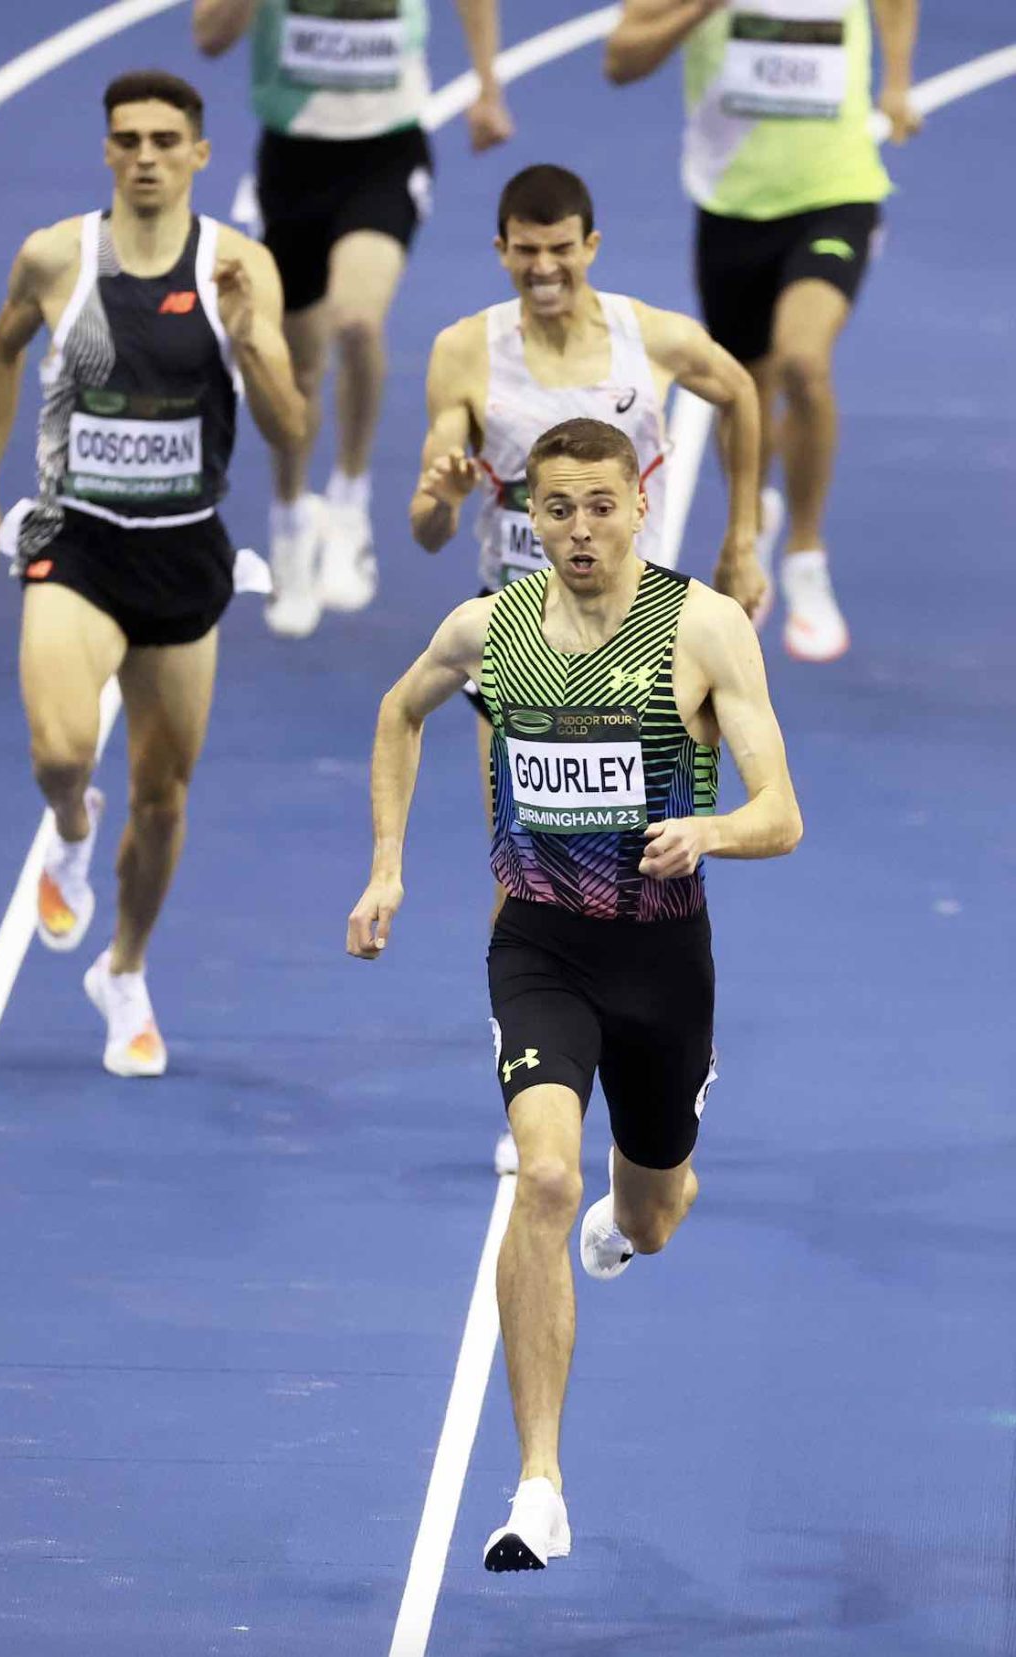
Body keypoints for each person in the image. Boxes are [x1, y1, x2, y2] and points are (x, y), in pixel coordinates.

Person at [348, 418, 802, 1569]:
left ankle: (627, 1215)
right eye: (557, 508)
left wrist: (708, 830)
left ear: (640, 502)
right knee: (541, 1174)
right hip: (540, 948)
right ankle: (538, 1482)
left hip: (661, 963)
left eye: (601, 504)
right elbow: (400, 711)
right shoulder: (488, 628)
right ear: (531, 516)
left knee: (649, 1213)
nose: (580, 529)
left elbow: (780, 814)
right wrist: (388, 863)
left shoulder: (702, 628)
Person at [411, 162, 765, 1174]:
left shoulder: (647, 336)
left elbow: (739, 390)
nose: (545, 266)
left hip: (632, 629)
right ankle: (536, 1075)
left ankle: (649, 1030)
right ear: (502, 251)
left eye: (561, 248)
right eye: (526, 250)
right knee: (519, 842)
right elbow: (431, 527)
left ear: (590, 247)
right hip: (519, 634)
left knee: (631, 839)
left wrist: (745, 533)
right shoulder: (463, 353)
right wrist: (438, 494)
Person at [0, 70, 306, 1076]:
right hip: (80, 539)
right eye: (126, 139)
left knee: (163, 799)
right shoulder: (55, 257)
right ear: (106, 151)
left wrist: (250, 342)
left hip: (185, 551)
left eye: (164, 139)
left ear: (201, 153)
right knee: (64, 751)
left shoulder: (241, 267)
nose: (145, 156)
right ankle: (70, 823)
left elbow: (292, 429)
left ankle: (125, 969)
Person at [604, 0, 920, 660]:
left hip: (836, 193)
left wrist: (896, 80)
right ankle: (754, 517)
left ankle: (805, 553)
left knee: (804, 362)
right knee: (741, 391)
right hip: (732, 207)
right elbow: (621, 61)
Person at [193, 0, 514, 639]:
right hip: (292, 160)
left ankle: (349, 503)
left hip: (385, 153)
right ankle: (289, 524)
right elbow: (210, 38)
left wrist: (488, 87)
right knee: (301, 369)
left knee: (359, 321)